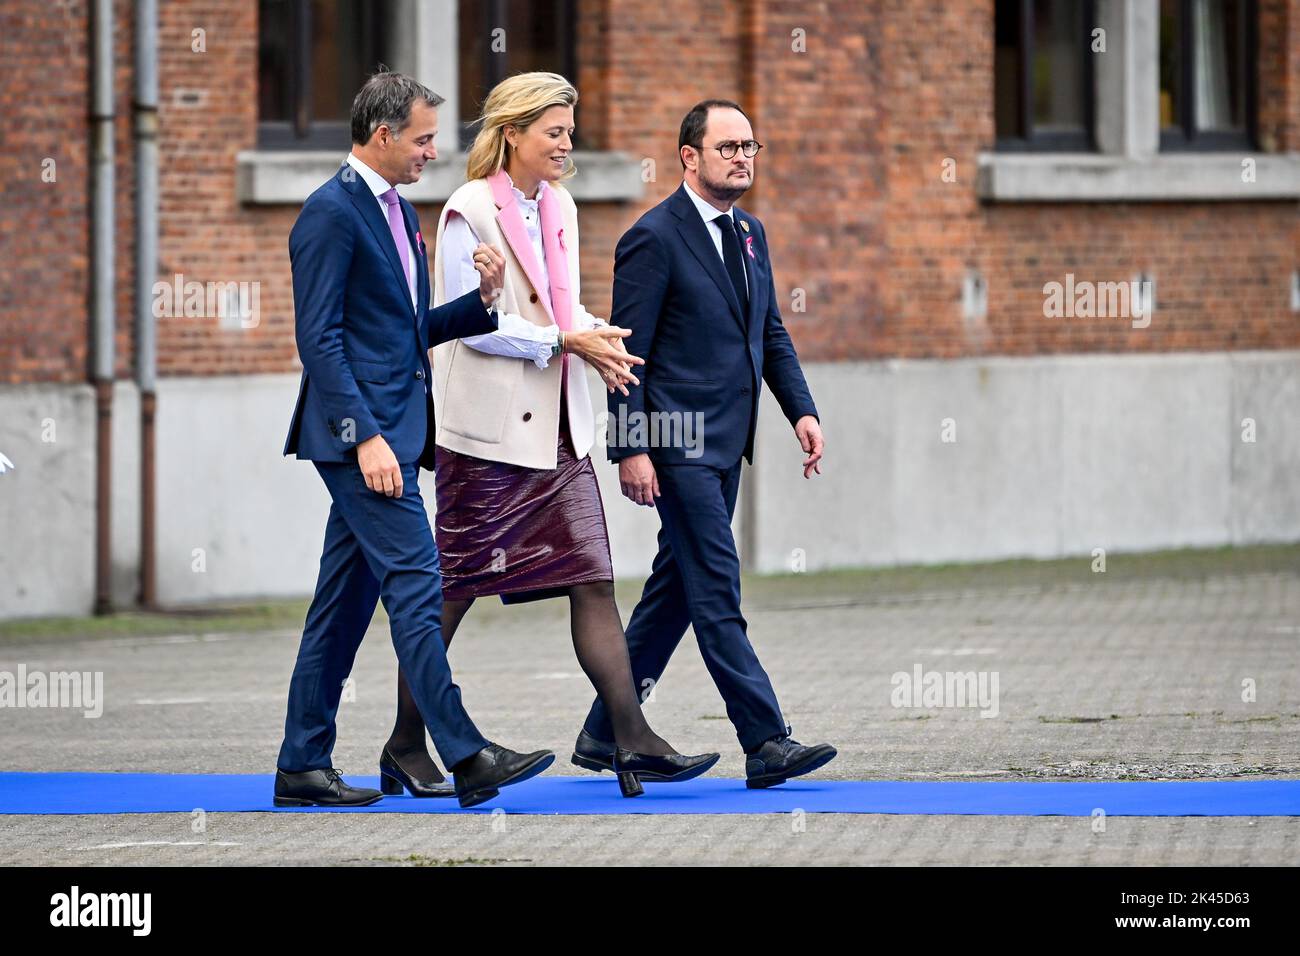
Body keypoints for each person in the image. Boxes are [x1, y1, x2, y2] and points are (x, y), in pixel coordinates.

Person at [379, 71, 718, 800]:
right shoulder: (469, 209)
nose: (568, 144)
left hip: (562, 431)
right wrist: (569, 342)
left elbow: (560, 302)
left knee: (592, 578)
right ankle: (407, 743)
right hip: (488, 438)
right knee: (452, 591)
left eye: (570, 130)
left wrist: (595, 333)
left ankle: (630, 736)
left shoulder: (557, 203)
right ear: (512, 135)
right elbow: (469, 322)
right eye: (555, 132)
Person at [275, 70, 554, 810]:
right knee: (418, 585)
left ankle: (303, 764)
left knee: (341, 606)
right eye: (425, 138)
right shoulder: (330, 214)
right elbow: (320, 342)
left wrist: (483, 306)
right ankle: (465, 753)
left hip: (397, 430)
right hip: (361, 440)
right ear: (383, 135)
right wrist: (363, 437)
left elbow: (403, 334)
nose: (435, 151)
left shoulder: (398, 213)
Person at [573, 99, 838, 789]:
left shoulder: (750, 234)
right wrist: (630, 445)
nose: (742, 157)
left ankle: (605, 732)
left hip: (728, 444)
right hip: (675, 443)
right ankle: (766, 740)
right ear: (689, 157)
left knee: (676, 593)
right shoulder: (652, 238)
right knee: (717, 589)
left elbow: (769, 333)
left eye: (750, 145)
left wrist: (800, 412)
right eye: (728, 147)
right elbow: (624, 354)